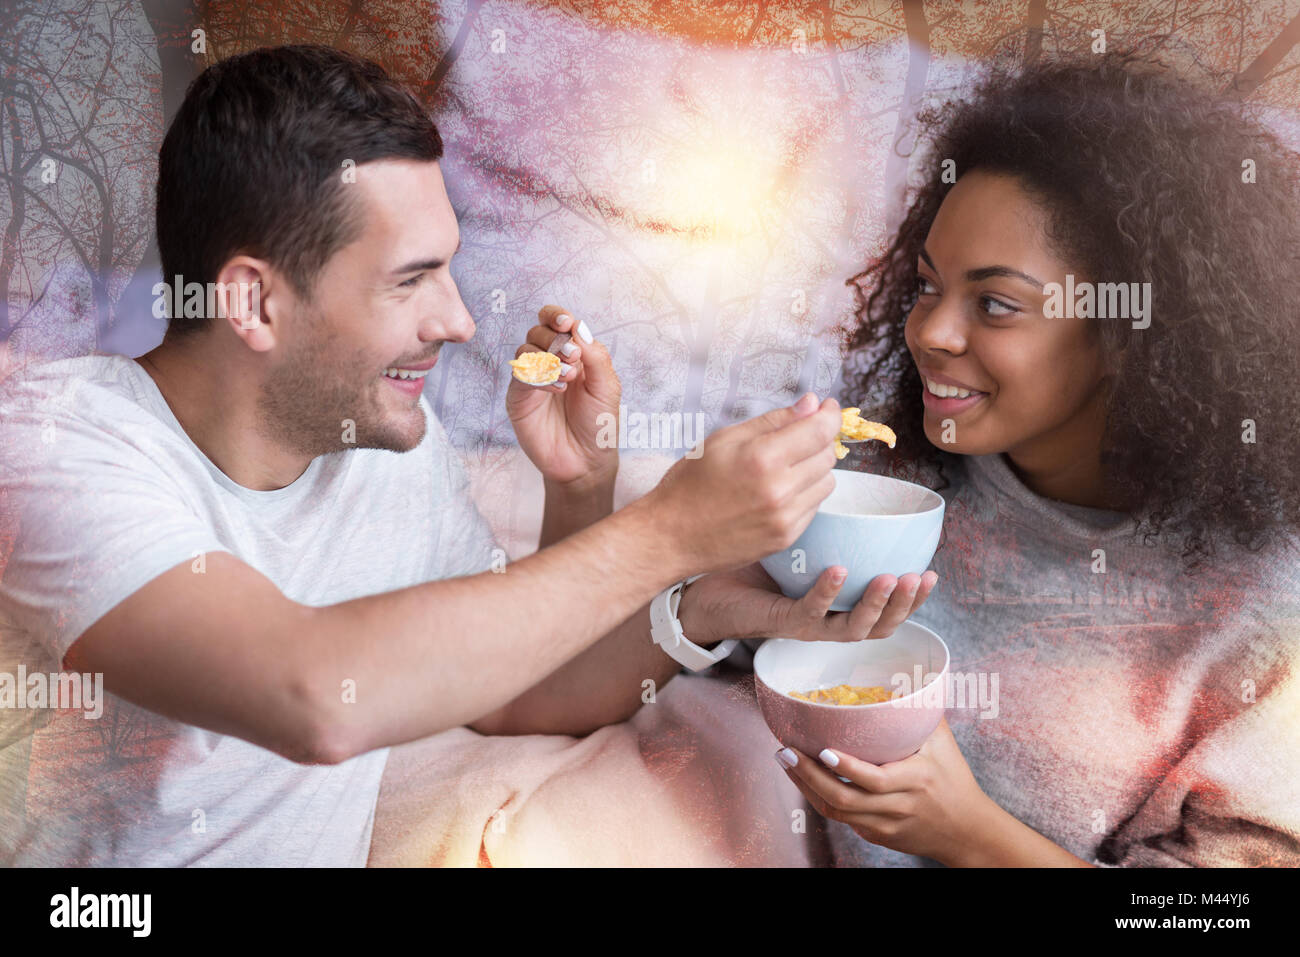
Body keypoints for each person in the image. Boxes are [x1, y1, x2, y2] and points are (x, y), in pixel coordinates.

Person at [0, 44, 936, 867]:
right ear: (251, 303)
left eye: (449, 268)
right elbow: (311, 695)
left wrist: (632, 533)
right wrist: (667, 529)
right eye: (410, 280)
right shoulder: (54, 446)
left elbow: (518, 690)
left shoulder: (380, 450)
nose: (457, 321)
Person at [768, 51, 1300, 866]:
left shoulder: (1267, 616)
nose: (930, 332)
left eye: (994, 303)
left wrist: (966, 833)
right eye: (927, 286)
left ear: (1131, 336)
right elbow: (622, 677)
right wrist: (587, 486)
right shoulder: (877, 488)